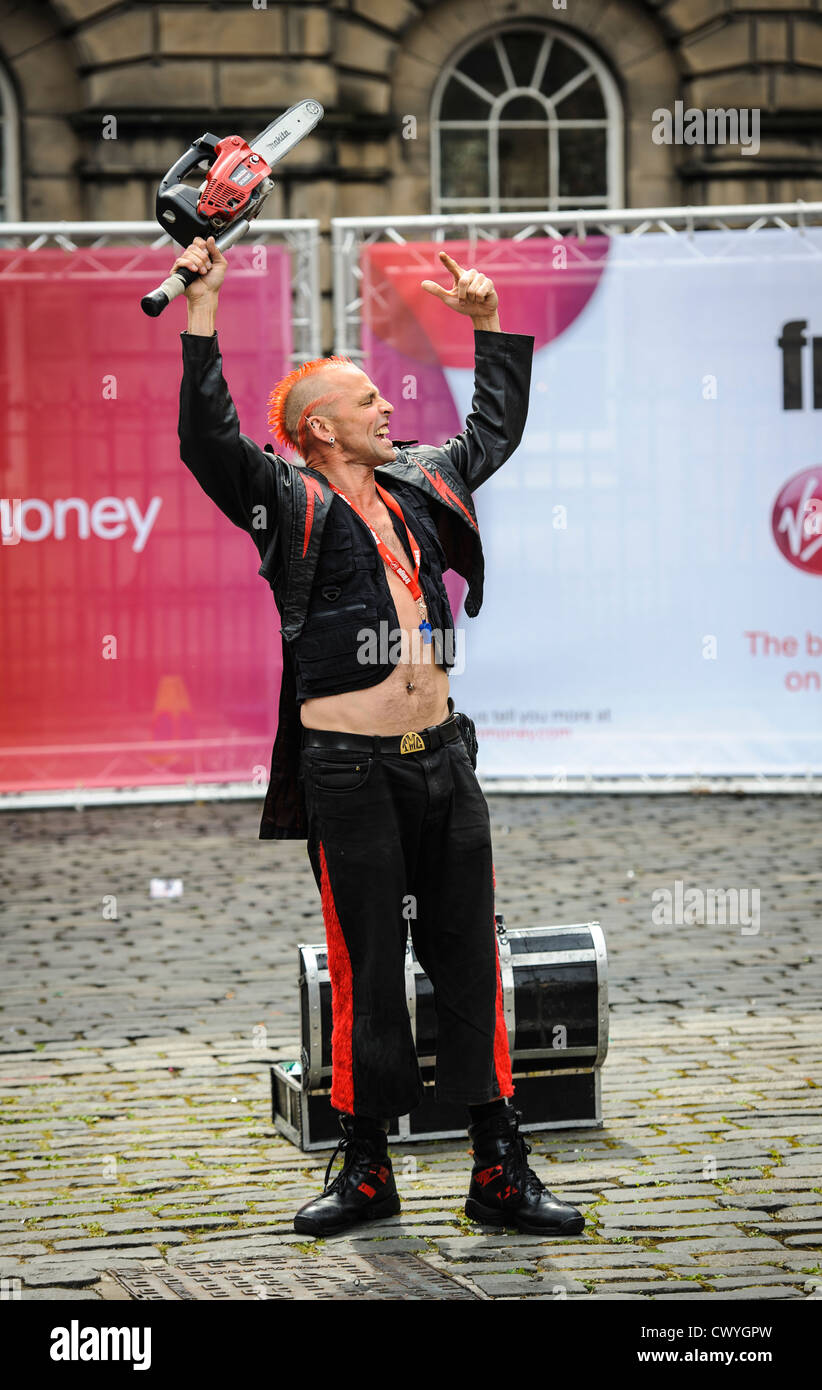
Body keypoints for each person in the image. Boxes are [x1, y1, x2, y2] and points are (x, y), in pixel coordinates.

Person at [174, 234, 585, 1239]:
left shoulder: (419, 481)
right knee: (365, 963)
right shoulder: (285, 497)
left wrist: (488, 326)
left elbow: (493, 430)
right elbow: (208, 442)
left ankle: (499, 1166)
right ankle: (367, 1170)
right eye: (366, 402)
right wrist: (202, 311)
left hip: (444, 759)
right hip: (347, 771)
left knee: (469, 956)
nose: (389, 409)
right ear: (319, 427)